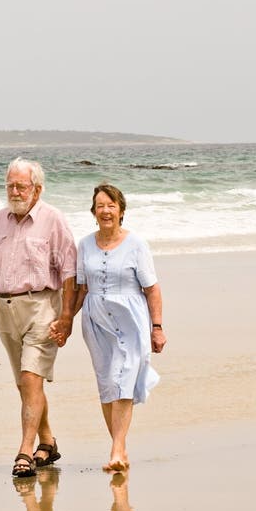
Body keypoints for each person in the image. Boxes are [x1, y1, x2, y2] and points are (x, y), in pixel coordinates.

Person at [0, 157, 77, 478]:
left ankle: (25, 452)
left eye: (20, 185)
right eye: (9, 185)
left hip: (42, 308)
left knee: (30, 378)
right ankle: (48, 441)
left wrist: (66, 318)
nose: (14, 191)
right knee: (26, 385)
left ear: (37, 189)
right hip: (5, 310)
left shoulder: (53, 220)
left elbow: (70, 272)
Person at [66, 183, 166, 472]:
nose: (106, 211)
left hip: (130, 319)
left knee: (122, 377)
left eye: (111, 205)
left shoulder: (137, 244)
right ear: (93, 212)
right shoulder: (84, 244)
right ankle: (119, 448)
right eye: (100, 206)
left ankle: (117, 449)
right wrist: (66, 321)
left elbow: (152, 289)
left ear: (121, 210)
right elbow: (82, 289)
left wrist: (157, 327)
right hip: (96, 321)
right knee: (107, 383)